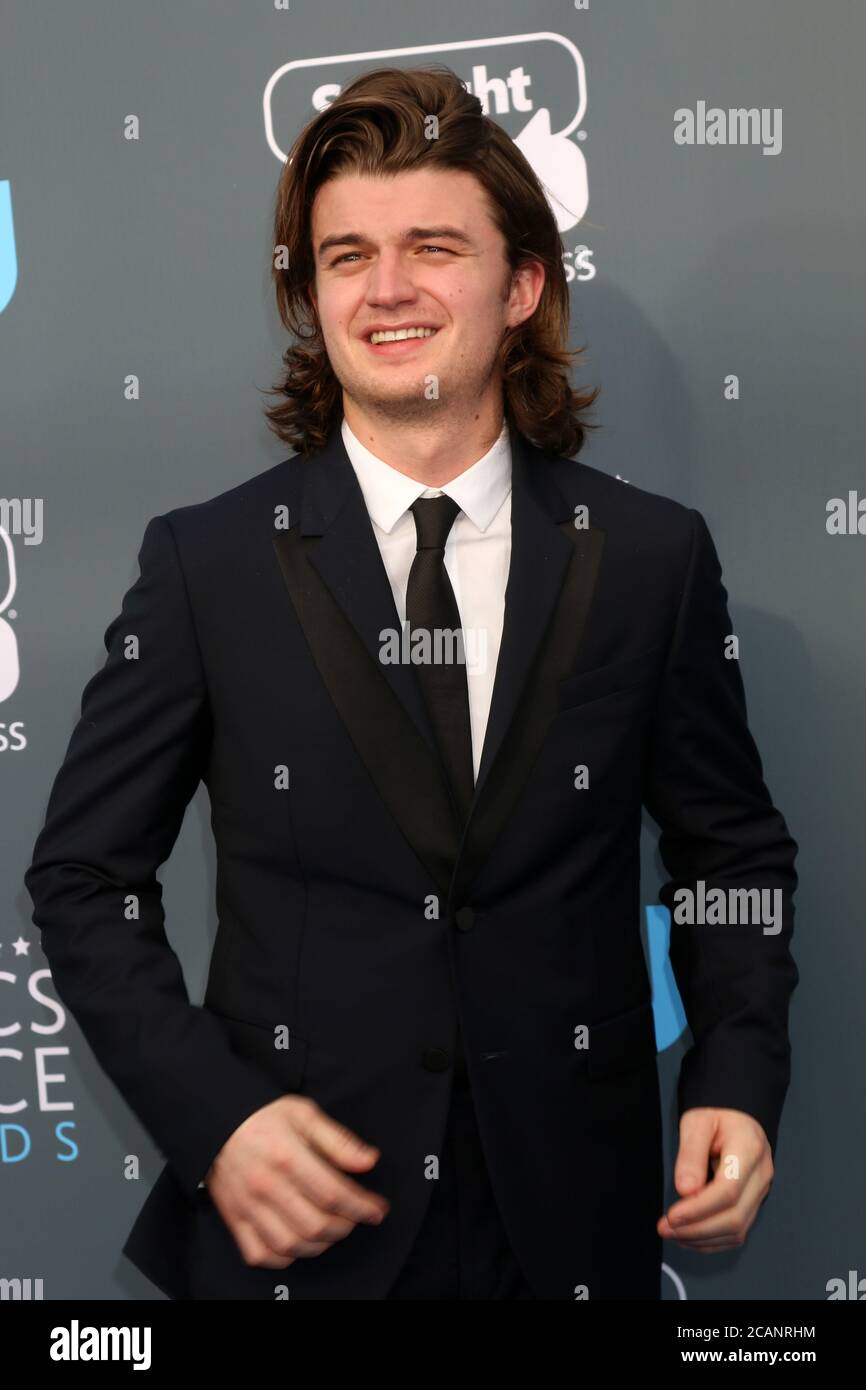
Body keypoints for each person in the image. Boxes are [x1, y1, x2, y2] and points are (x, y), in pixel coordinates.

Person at [24, 65, 799, 1301]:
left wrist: (735, 1078)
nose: (385, 289)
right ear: (312, 295)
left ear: (522, 285)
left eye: (432, 247)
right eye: (346, 257)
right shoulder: (207, 565)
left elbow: (730, 857)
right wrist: (218, 1117)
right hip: (299, 1238)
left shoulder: (648, 558)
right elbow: (84, 876)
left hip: (572, 1229)